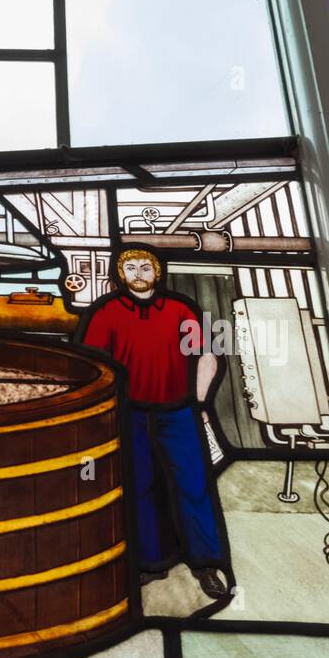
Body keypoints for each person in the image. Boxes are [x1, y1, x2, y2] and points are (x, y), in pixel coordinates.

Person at [77, 247, 230, 601]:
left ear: (157, 271)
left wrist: (202, 402)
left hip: (178, 412)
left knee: (193, 485)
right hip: (129, 414)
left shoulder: (181, 308)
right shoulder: (107, 312)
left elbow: (207, 354)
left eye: (146, 266)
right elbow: (92, 366)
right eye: (130, 266)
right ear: (120, 272)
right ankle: (149, 563)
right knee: (138, 487)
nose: (139, 272)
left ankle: (205, 564)